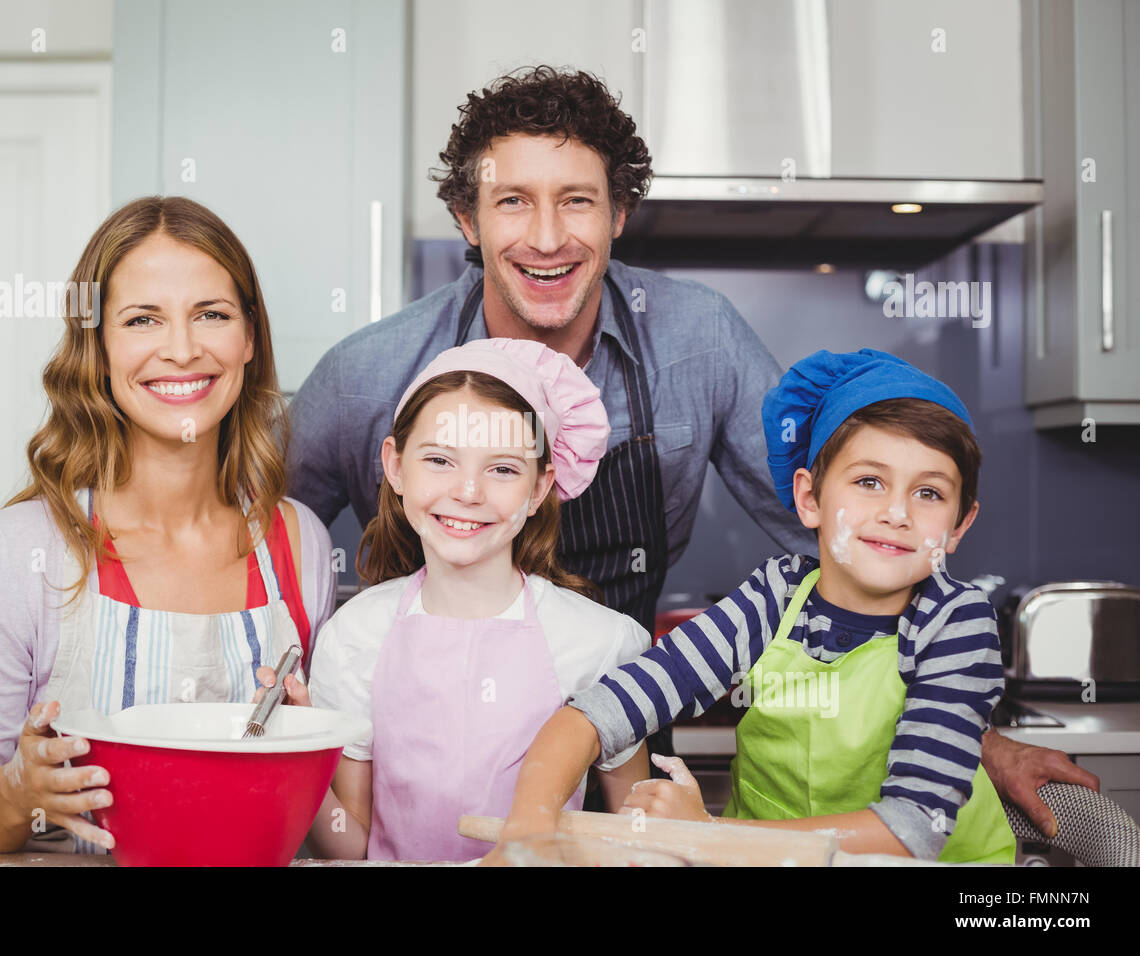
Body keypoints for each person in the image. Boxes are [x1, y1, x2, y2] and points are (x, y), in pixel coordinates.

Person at [287, 65, 1097, 831]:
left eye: (576, 201)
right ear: (468, 219)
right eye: (511, 203)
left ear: (618, 215)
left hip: (624, 729)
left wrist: (970, 736)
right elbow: (259, 539)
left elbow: (851, 543)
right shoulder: (370, 375)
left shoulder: (698, 341)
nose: (546, 237)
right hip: (411, 775)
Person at [0, 196, 334, 855]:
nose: (183, 349)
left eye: (212, 315)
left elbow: (316, 819)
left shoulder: (301, 543)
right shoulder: (16, 554)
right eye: (142, 320)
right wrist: (20, 794)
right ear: (98, 348)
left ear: (249, 337)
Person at [487, 350, 1023, 862]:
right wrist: (528, 827)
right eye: (868, 482)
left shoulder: (955, 621)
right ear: (809, 498)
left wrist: (712, 835)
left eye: (929, 493)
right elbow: (603, 711)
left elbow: (911, 831)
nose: (897, 513)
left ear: (958, 525)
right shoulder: (777, 596)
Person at [278, 339, 650, 861]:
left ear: (541, 486)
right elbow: (351, 846)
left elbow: (634, 837)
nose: (468, 492)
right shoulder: (356, 635)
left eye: (502, 469)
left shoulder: (599, 642)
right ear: (396, 465)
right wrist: (298, 752)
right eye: (439, 460)